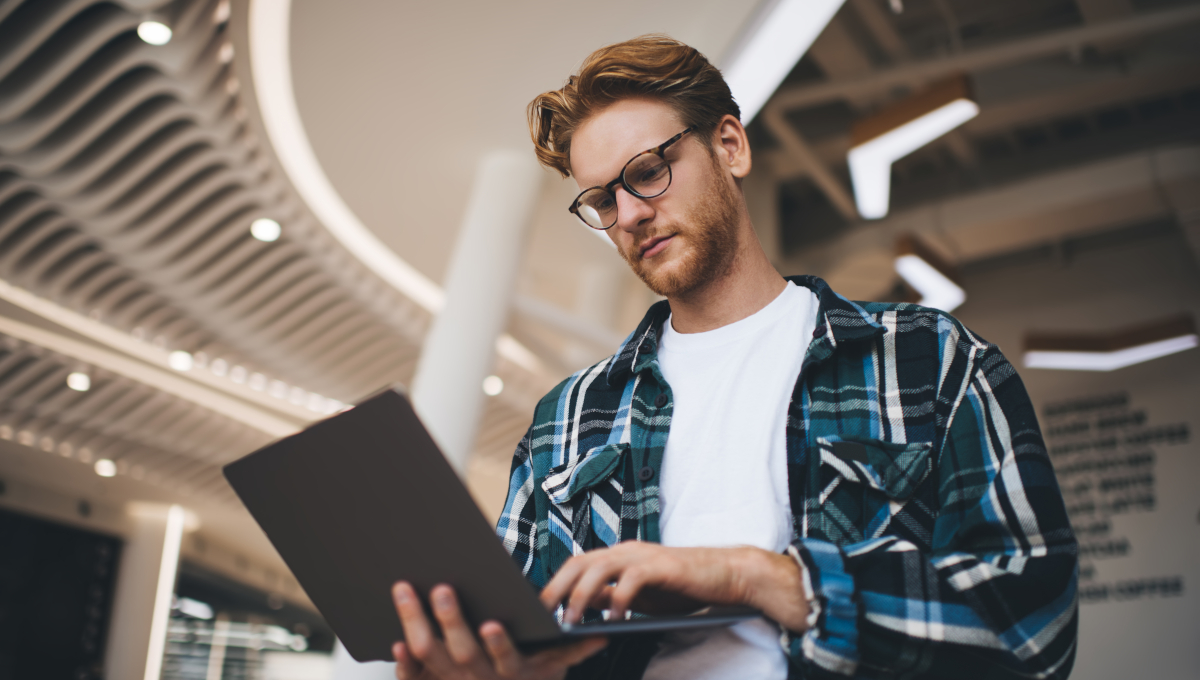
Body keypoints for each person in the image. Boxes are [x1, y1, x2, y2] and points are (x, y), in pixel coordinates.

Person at [388, 35, 1078, 680]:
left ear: (730, 145)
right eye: (602, 199)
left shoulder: (929, 360)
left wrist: (760, 578)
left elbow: (1034, 629)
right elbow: (527, 642)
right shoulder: (565, 421)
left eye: (648, 172)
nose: (627, 215)